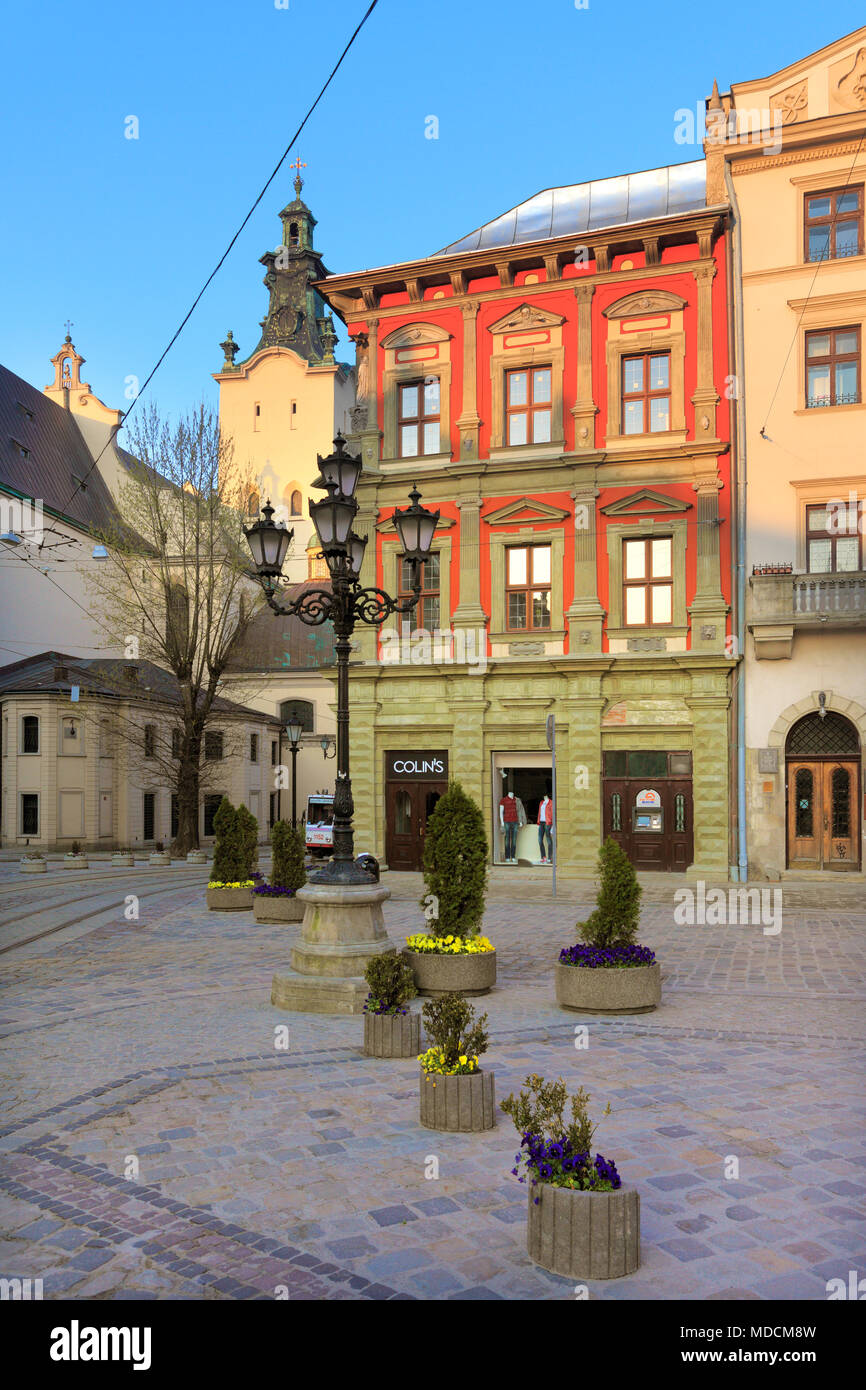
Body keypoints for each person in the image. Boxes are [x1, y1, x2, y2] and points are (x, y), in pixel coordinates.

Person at [499, 791, 519, 863]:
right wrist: (502, 823)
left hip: (515, 822)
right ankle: (507, 857)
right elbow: (501, 812)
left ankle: (513, 856)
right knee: (507, 840)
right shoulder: (503, 800)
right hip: (506, 821)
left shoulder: (516, 800)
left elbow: (519, 810)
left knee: (514, 840)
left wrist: (520, 821)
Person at [537, 794, 553, 864]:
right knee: (540, 840)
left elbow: (553, 814)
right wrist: (538, 822)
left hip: (548, 823)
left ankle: (550, 857)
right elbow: (539, 813)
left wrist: (553, 825)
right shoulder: (541, 802)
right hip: (541, 822)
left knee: (548, 840)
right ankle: (543, 857)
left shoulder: (551, 802)